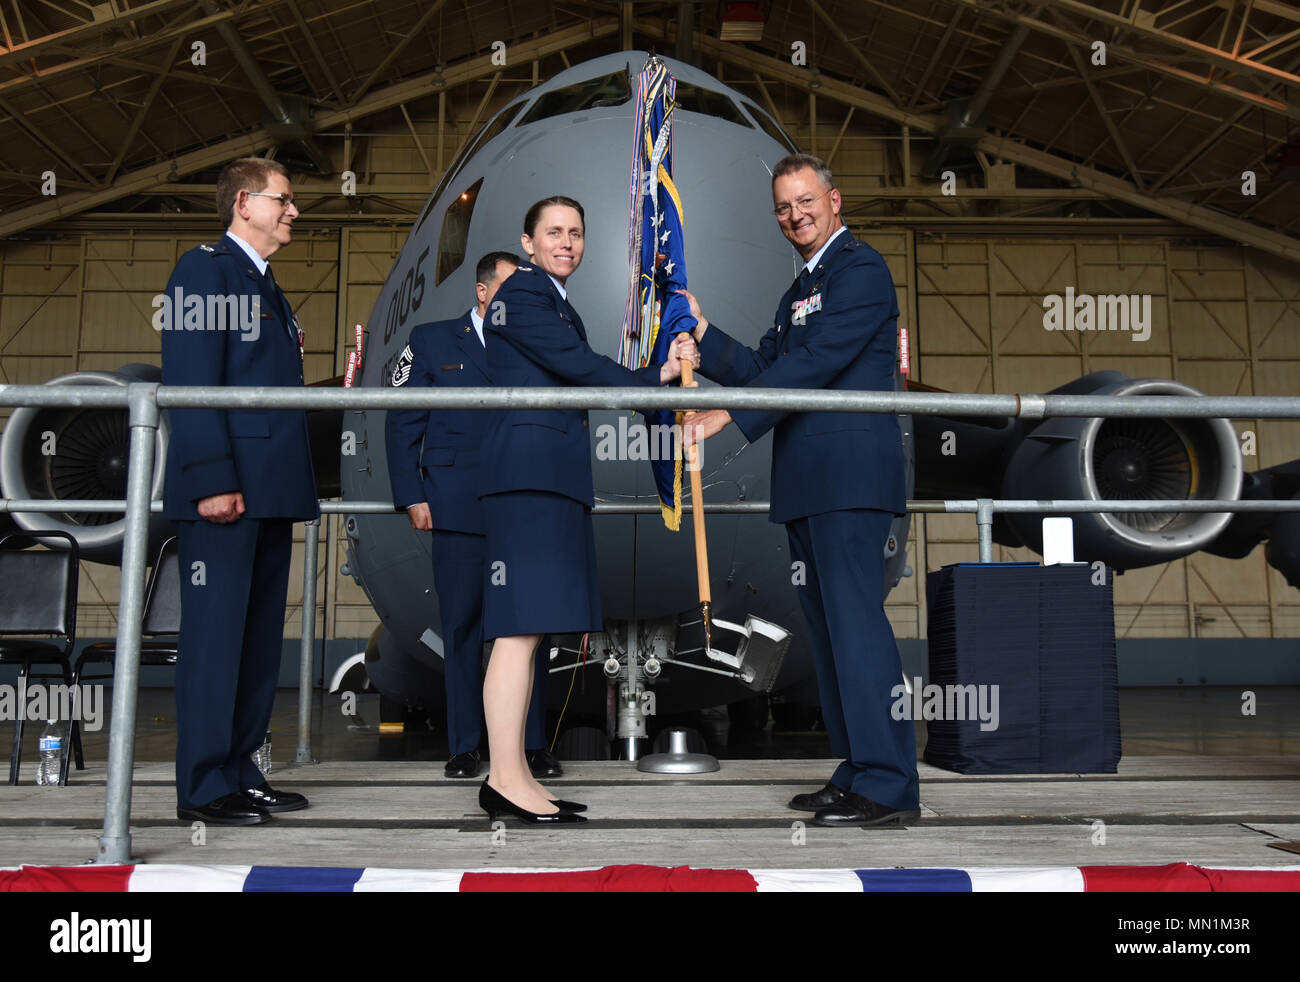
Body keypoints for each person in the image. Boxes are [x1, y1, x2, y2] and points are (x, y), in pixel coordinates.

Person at [679, 153, 920, 827]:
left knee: (859, 631)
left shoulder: (862, 271)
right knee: (831, 637)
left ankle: (890, 784)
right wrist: (701, 330)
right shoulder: (799, 291)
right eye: (784, 207)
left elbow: (817, 363)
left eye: (806, 201)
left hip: (849, 481)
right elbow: (765, 365)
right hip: (809, 486)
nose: (795, 215)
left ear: (835, 201)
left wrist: (727, 414)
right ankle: (855, 771)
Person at [477, 195, 698, 824]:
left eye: (576, 232)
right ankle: (503, 778)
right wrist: (656, 376)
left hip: (547, 476)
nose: (566, 243)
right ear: (527, 242)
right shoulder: (521, 294)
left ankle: (515, 777)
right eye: (553, 232)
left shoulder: (552, 299)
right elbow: (578, 369)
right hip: (529, 476)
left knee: (530, 630)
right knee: (517, 633)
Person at [160, 157, 316, 826]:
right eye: (283, 200)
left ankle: (241, 768)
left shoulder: (266, 285)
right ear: (244, 202)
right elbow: (192, 384)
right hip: (227, 492)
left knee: (256, 645)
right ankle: (201, 784)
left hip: (270, 491)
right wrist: (214, 480)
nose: (293, 211)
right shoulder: (204, 270)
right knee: (215, 642)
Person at [385, 251, 562, 780]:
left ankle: (531, 747)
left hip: (525, 507)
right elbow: (401, 423)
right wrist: (412, 496)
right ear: (483, 293)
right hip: (458, 507)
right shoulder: (431, 340)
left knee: (531, 629)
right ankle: (464, 745)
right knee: (462, 628)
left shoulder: (538, 342)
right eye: (509, 290)